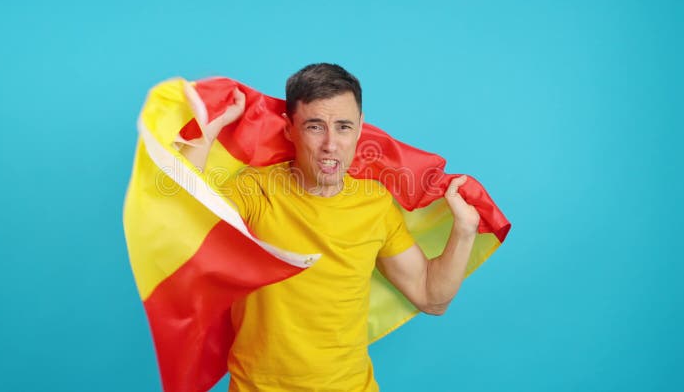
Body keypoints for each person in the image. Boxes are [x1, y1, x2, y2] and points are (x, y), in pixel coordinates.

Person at [181, 63, 481, 392]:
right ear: (289, 128)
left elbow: (431, 297)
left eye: (343, 127)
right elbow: (186, 226)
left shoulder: (375, 205)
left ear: (359, 128)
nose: (330, 143)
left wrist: (464, 232)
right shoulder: (256, 190)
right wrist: (207, 130)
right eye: (314, 126)